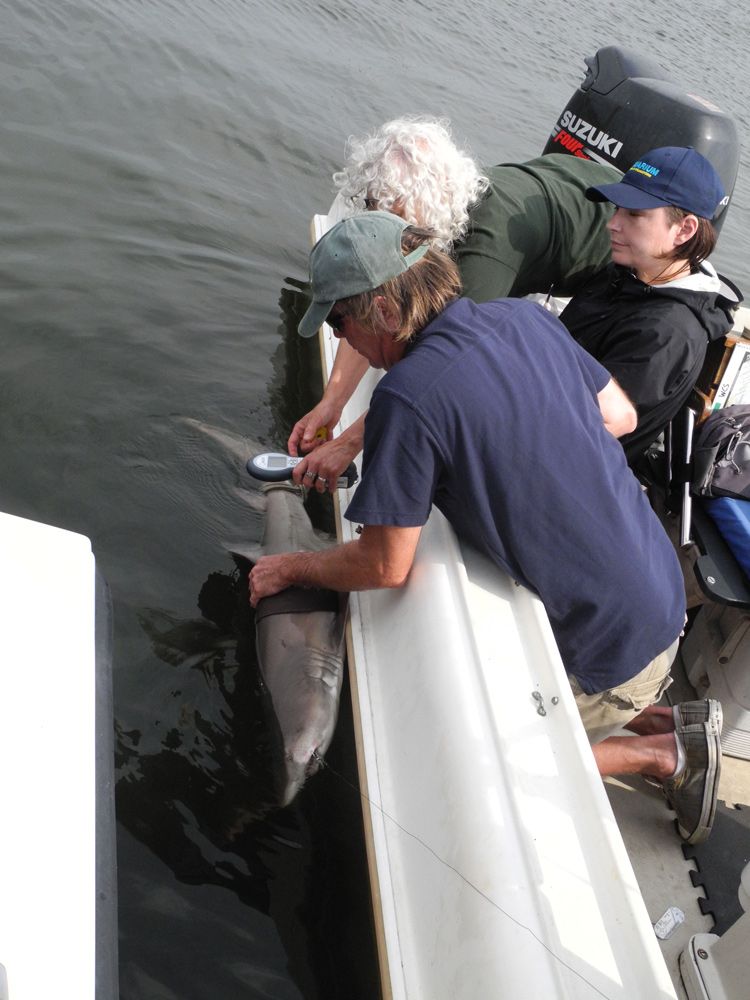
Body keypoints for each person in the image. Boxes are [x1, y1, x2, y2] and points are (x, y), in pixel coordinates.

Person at [250, 211, 722, 845]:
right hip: (662, 592)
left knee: (486, 771)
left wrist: (293, 567)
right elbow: (615, 413)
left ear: (386, 310)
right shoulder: (522, 318)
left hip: (610, 643)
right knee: (618, 682)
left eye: (341, 322)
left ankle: (666, 756)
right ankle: (656, 711)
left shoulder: (407, 399)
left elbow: (384, 566)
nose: (344, 341)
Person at [288, 116, 621, 484]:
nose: (382, 229)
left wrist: (349, 444)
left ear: (425, 209)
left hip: (612, 250)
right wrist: (332, 402)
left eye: (392, 217)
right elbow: (372, 299)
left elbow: (436, 370)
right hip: (572, 181)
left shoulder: (483, 254)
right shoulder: (439, 211)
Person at [559, 146, 739, 466]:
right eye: (617, 209)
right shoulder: (629, 274)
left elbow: (577, 433)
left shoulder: (666, 332)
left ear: (684, 229)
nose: (613, 224)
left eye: (634, 214)